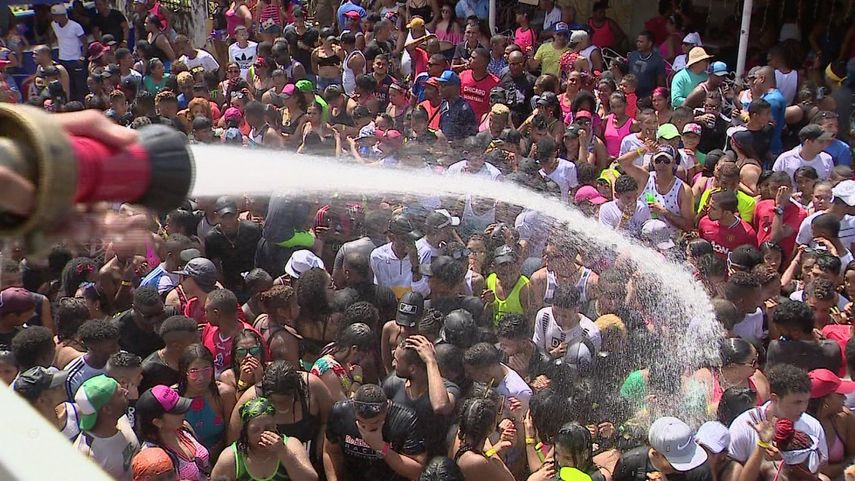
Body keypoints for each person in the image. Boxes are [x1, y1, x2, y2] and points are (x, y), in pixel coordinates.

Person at [728, 363, 827, 466]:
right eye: (797, 402)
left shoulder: (813, 426)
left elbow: (822, 469)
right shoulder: (744, 426)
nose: (803, 408)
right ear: (775, 398)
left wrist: (785, 463)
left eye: (806, 401)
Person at [324, 383, 427, 481]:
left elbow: (416, 471)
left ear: (386, 409)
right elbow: (330, 451)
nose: (367, 428)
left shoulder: (405, 419)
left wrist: (381, 447)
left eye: (375, 422)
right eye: (361, 422)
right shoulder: (340, 413)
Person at [384, 335, 458, 456]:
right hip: (400, 458)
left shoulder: (448, 389)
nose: (392, 364)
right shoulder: (392, 384)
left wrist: (430, 361)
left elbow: (441, 406)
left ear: (412, 369)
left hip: (433, 462)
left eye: (396, 361)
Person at [212, 397, 318, 481]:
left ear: (275, 426)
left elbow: (312, 479)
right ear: (245, 433)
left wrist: (283, 453)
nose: (263, 434)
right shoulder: (231, 459)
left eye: (268, 428)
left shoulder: (291, 445)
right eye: (255, 430)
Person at [135, 385, 210, 480]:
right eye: (176, 412)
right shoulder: (153, 457)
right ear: (158, 422)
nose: (183, 413)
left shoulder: (184, 427)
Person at [74, 374, 140, 481]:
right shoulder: (87, 456)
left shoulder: (121, 418)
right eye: (120, 394)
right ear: (107, 409)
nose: (126, 392)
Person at [613, 416, 712, 481]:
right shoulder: (629, 463)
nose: (684, 468)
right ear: (655, 454)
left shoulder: (699, 470)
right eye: (676, 464)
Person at [177, 344, 235, 454]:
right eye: (194, 372)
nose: (201, 378)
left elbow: (232, 433)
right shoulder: (174, 397)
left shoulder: (224, 394)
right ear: (185, 372)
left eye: (206, 370)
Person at [205, 196, 263, 298]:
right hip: (230, 282)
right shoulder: (212, 238)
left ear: (237, 213)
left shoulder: (253, 229)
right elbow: (216, 265)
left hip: (255, 279)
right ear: (217, 216)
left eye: (231, 216)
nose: (228, 221)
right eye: (224, 217)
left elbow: (262, 255)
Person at [533, 284, 601, 371]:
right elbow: (536, 352)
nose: (559, 319)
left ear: (576, 310)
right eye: (555, 314)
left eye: (564, 316)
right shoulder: (544, 317)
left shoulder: (590, 332)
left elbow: (590, 368)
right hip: (545, 370)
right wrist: (552, 355)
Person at [201, 288, 264, 377]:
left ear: (216, 313)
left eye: (206, 311)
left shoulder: (250, 338)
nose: (205, 315)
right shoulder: (208, 329)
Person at [766, 300, 842, 372]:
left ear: (795, 332)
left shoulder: (777, 348)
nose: (780, 336)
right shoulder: (833, 348)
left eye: (781, 331)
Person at [806, 369, 855, 479]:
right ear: (826, 400)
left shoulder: (845, 418)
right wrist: (846, 466)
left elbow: (853, 456)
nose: (845, 398)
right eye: (840, 394)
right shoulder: (801, 425)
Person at [311, 322, 373, 400]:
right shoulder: (327, 369)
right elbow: (343, 406)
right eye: (361, 356)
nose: (360, 360)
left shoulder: (346, 363)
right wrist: (357, 380)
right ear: (354, 349)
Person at [14, 366, 78, 439]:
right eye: (55, 387)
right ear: (41, 400)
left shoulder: (76, 412)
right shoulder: (29, 436)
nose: (62, 387)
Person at [463, 342, 532, 409]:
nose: (467, 375)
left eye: (471, 373)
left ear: (485, 372)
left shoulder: (520, 392)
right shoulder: (481, 382)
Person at [64, 318, 121, 400]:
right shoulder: (73, 378)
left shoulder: (120, 361)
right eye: (112, 346)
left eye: (117, 343)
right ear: (93, 347)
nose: (117, 348)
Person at [141, 315, 199, 393]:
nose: (199, 343)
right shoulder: (149, 371)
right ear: (176, 346)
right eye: (194, 341)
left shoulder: (196, 357)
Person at [114, 286, 170, 359]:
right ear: (134, 309)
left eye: (159, 313)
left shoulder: (171, 315)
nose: (155, 320)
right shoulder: (118, 330)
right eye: (148, 316)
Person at [698, 190, 758, 257]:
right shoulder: (705, 222)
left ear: (727, 213)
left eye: (713, 208)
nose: (708, 210)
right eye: (709, 206)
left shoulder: (747, 234)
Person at [49, 4, 85, 101]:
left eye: (55, 15)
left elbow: (85, 43)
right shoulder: (54, 25)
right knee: (67, 86)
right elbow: (52, 37)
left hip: (75, 60)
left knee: (79, 86)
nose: (53, 18)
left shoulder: (75, 26)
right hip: (63, 60)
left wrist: (82, 57)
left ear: (63, 15)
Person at [436, 70, 478, 142]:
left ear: (455, 87)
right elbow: (441, 128)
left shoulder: (464, 109)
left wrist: (454, 144)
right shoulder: (444, 104)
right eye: (439, 84)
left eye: (443, 85)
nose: (440, 88)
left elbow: (471, 138)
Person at [627, 31, 666, 98]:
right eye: (637, 41)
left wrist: (651, 98)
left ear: (649, 44)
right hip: (630, 94)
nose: (638, 44)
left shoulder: (657, 60)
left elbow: (661, 84)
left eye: (641, 42)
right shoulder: (632, 55)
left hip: (647, 97)